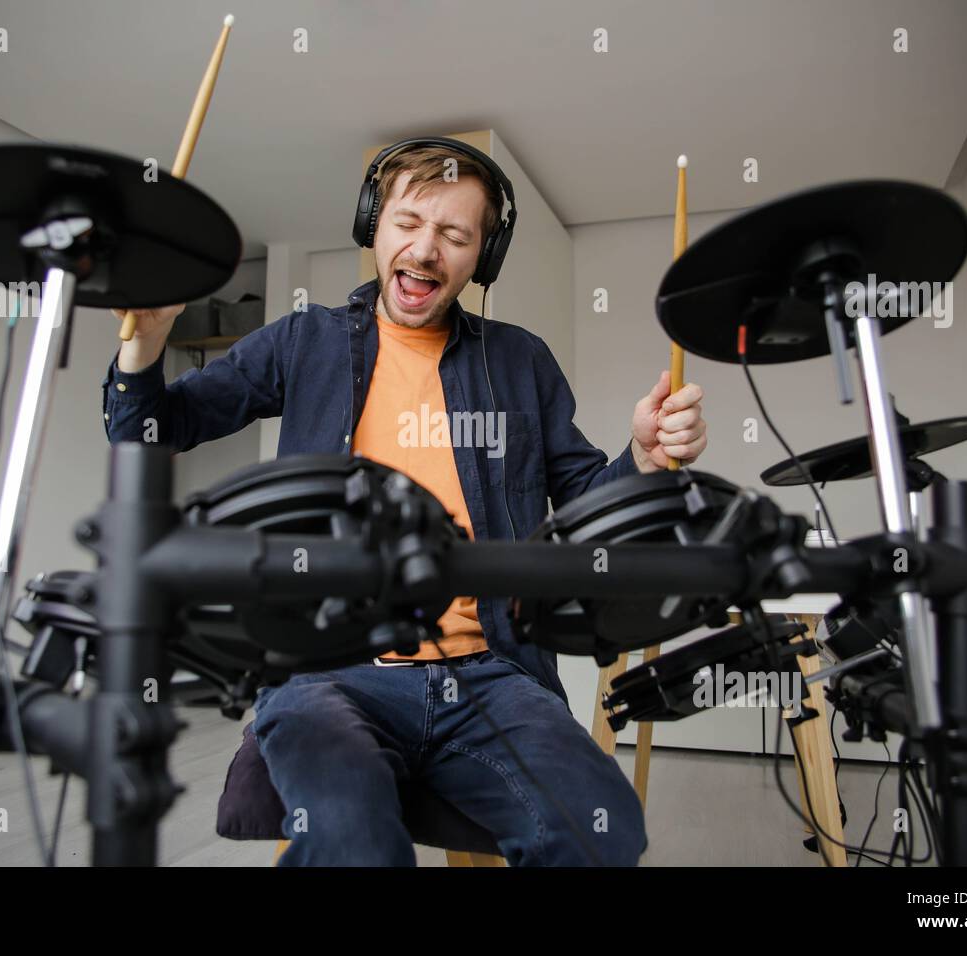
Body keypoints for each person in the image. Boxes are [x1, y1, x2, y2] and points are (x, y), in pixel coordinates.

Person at [103, 138, 707, 865]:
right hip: (328, 669)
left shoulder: (521, 362)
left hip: (493, 674)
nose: (425, 250)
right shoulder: (303, 341)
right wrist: (149, 343)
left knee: (601, 828)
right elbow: (149, 428)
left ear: (482, 254)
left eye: (454, 235)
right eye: (408, 223)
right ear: (374, 226)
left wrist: (642, 457)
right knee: (350, 839)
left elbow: (582, 515)